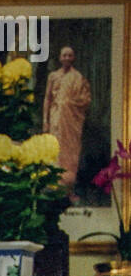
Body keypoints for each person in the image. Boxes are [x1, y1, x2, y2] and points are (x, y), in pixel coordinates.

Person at [42, 45, 91, 194]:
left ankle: (69, 186)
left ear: (74, 58)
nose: (67, 58)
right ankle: (54, 183)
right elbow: (48, 99)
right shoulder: (53, 76)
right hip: (56, 117)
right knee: (55, 148)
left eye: (70, 55)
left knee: (71, 150)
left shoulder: (78, 78)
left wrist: (69, 104)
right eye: (64, 55)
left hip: (71, 121)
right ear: (60, 58)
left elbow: (85, 100)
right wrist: (46, 120)